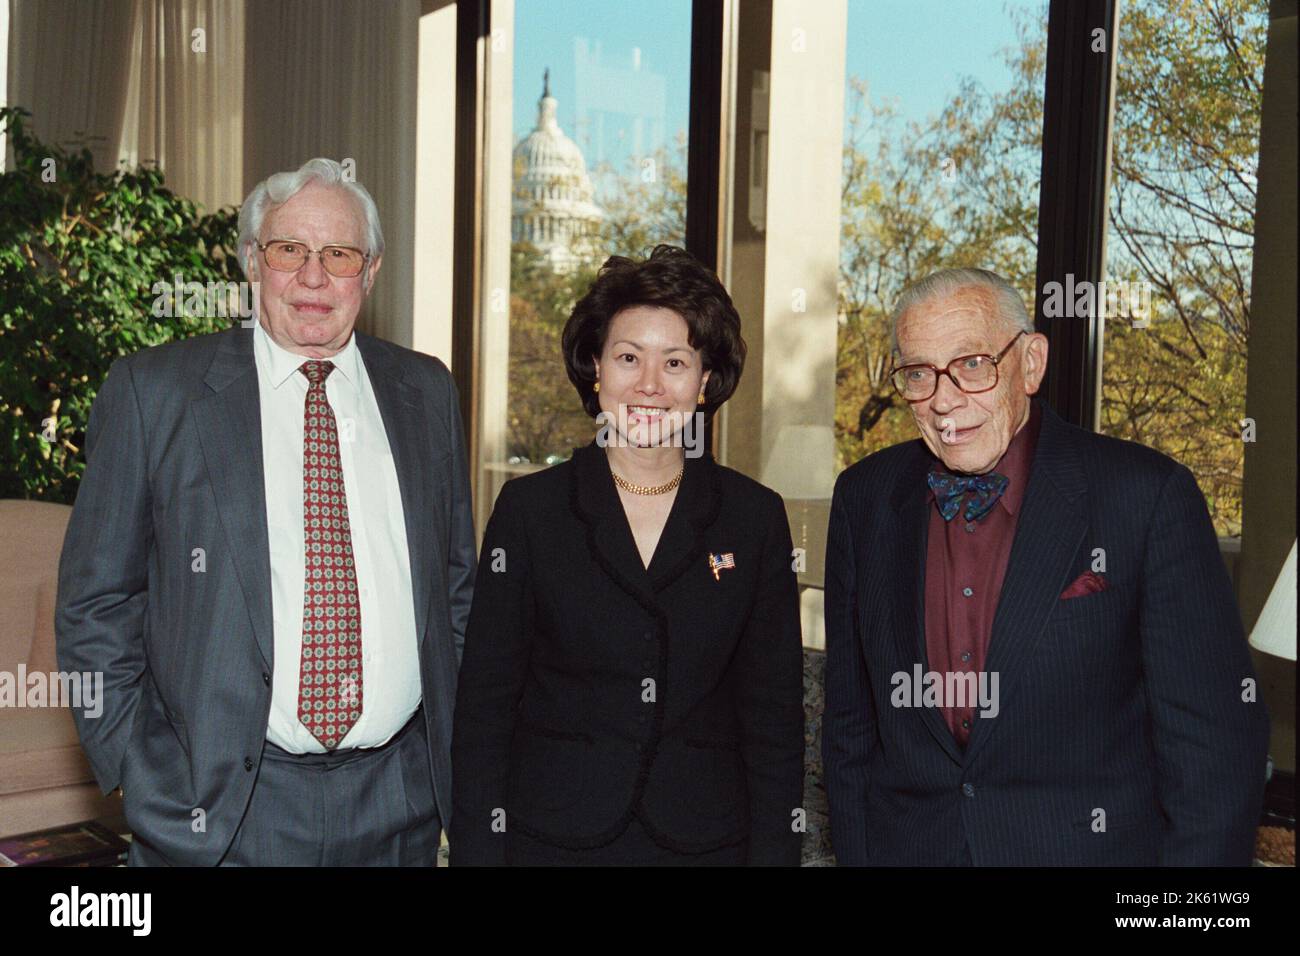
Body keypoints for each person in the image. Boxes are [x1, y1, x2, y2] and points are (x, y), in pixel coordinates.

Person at [56, 158, 476, 866]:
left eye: (338, 254)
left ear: (369, 272)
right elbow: (96, 603)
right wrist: (140, 770)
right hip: (222, 812)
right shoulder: (155, 394)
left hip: (402, 805)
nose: (313, 278)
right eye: (290, 251)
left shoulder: (426, 392)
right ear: (253, 262)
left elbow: (458, 588)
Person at [822, 267, 1269, 866]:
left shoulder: (1145, 495)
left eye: (973, 364)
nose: (944, 399)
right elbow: (850, 729)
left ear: (1030, 363)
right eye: (919, 374)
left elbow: (1213, 748)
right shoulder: (864, 498)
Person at [450, 244, 804, 865]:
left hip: (706, 844)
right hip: (551, 841)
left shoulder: (754, 519)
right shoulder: (529, 511)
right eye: (627, 357)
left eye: (674, 361)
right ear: (595, 368)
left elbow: (774, 724)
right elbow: (485, 710)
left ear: (704, 382)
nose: (648, 384)